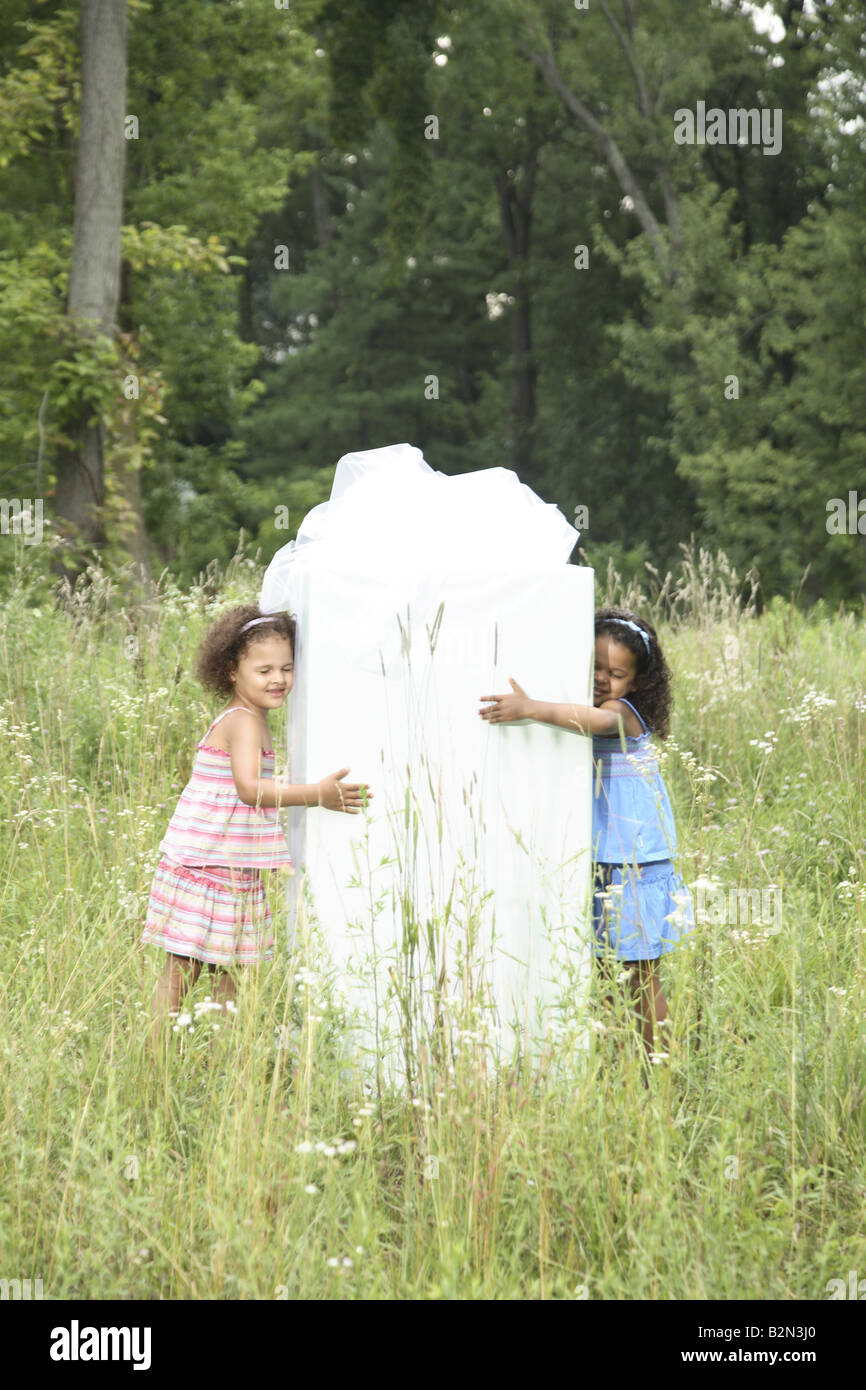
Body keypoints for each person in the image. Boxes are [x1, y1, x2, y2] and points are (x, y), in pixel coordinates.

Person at [140, 605, 372, 1047]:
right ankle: (154, 1061)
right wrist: (315, 794)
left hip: (231, 869)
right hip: (205, 867)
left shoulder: (253, 718)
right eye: (263, 669)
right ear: (232, 670)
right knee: (183, 970)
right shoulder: (244, 721)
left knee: (234, 969)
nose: (278, 679)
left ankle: (224, 1062)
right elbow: (249, 789)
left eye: (286, 668)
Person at [478, 605, 693, 1059]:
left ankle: (663, 1064)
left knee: (639, 973)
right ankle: (621, 1061)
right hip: (603, 860)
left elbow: (592, 721)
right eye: (595, 667)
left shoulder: (624, 714)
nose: (602, 680)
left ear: (635, 683)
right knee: (602, 970)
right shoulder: (601, 701)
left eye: (615, 673)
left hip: (635, 862)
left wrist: (529, 708)